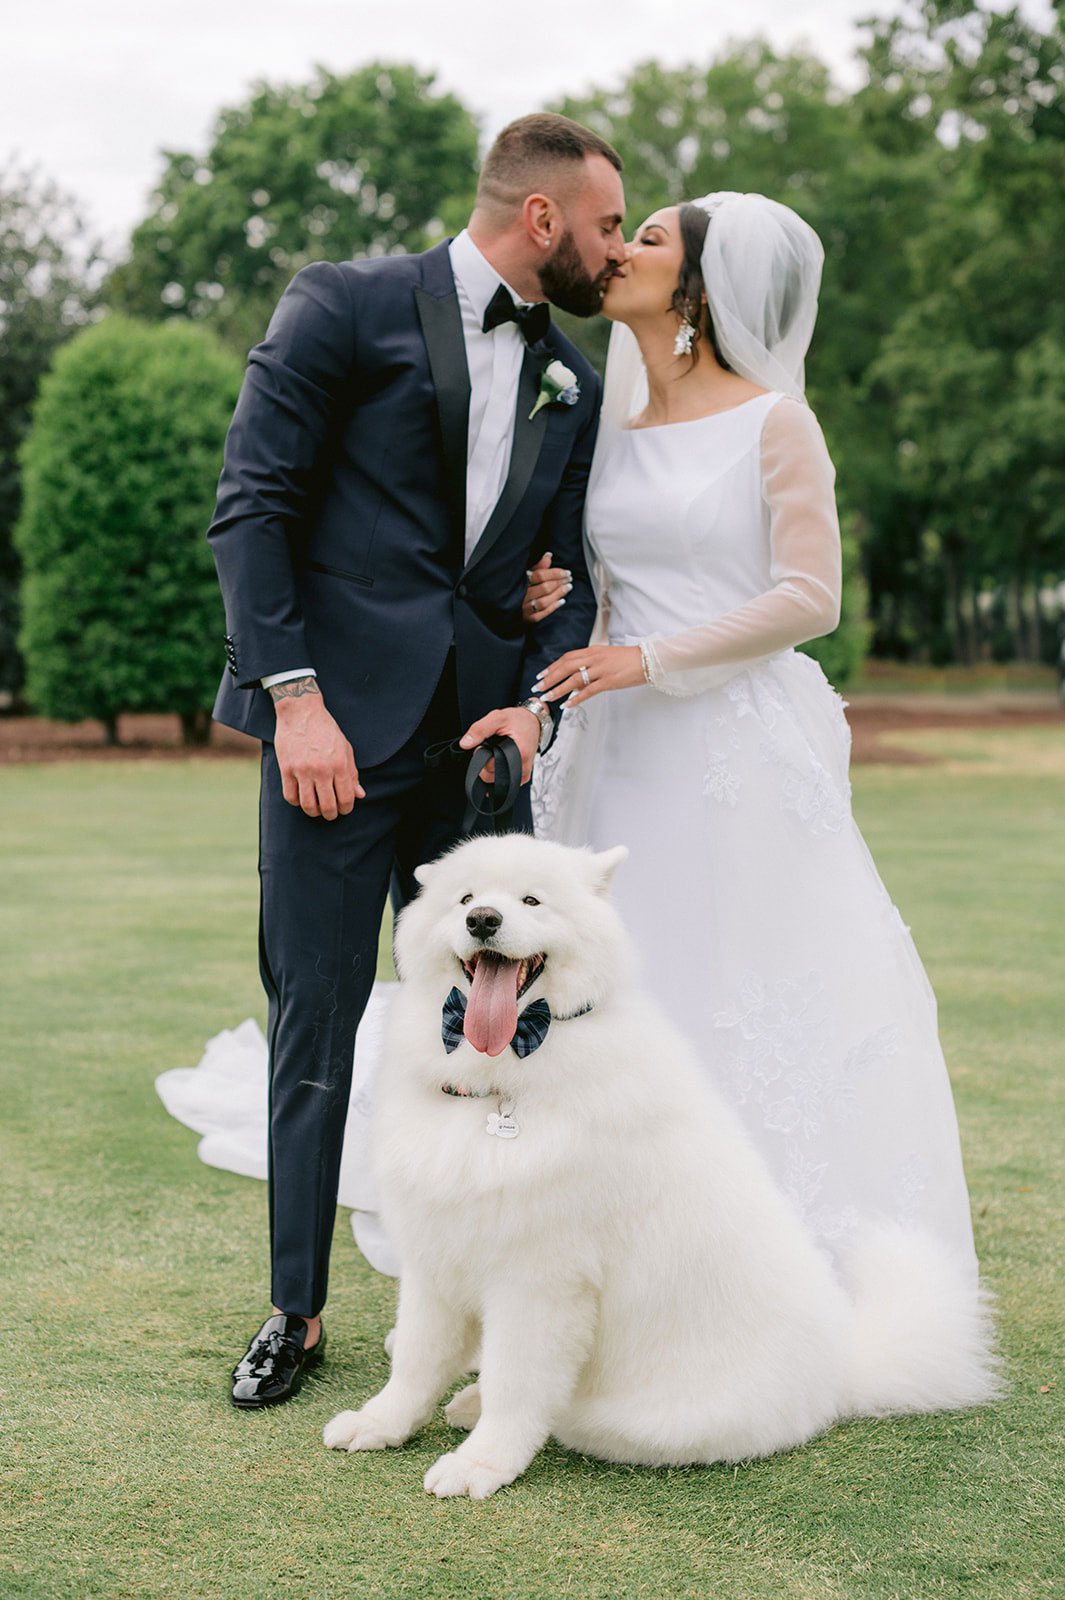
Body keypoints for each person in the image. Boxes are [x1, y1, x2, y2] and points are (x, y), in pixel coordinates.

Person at [206, 113, 624, 1406]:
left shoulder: (575, 382)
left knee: (497, 1034)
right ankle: (297, 1311)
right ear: (540, 218)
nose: (616, 253)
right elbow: (254, 505)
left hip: (477, 764)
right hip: (330, 741)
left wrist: (536, 706)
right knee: (317, 1021)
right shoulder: (344, 305)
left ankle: (489, 1314)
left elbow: (563, 581)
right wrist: (295, 703)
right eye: (606, 225)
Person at [529, 192, 980, 1281]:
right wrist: (561, 617)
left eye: (649, 241)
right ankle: (613, 1250)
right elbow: (606, 588)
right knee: (618, 987)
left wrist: (654, 657)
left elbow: (810, 596)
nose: (622, 249)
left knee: (740, 982)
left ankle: (757, 1264)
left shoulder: (776, 421)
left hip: (730, 753)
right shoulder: (604, 419)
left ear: (695, 292)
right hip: (611, 749)